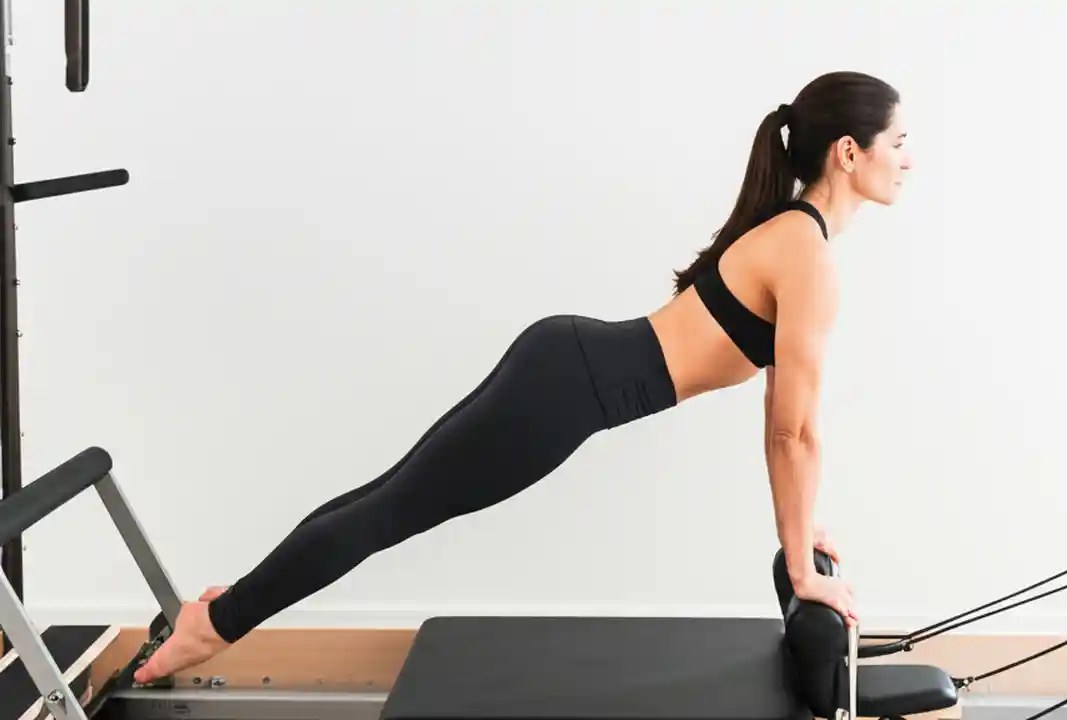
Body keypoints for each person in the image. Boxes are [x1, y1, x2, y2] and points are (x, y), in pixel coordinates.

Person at [133, 69, 912, 684]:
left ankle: (223, 606)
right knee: (389, 512)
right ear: (850, 150)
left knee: (389, 497)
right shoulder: (807, 256)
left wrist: (799, 532)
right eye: (899, 141)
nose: (908, 158)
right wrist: (803, 572)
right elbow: (794, 430)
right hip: (568, 390)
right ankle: (219, 625)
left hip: (564, 362)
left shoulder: (790, 236)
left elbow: (787, 420)